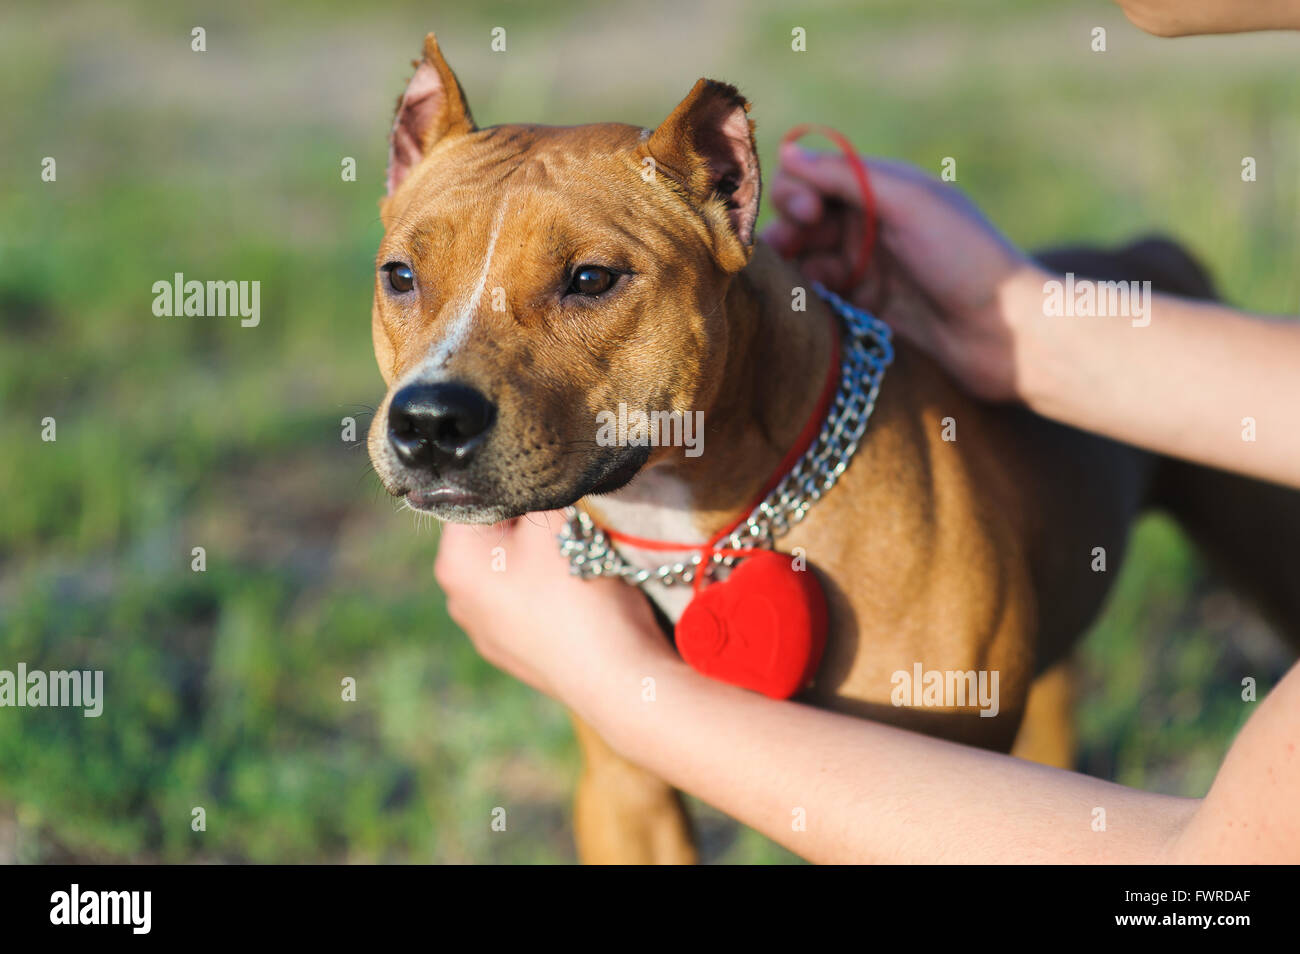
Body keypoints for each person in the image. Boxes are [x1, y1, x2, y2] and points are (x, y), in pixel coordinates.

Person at [432, 3, 1300, 862]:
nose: (443, 382)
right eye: (405, 278)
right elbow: (631, 808)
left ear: (729, 196)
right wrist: (1020, 321)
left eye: (586, 280)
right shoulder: (597, 485)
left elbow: (1202, 880)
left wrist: (630, 692)